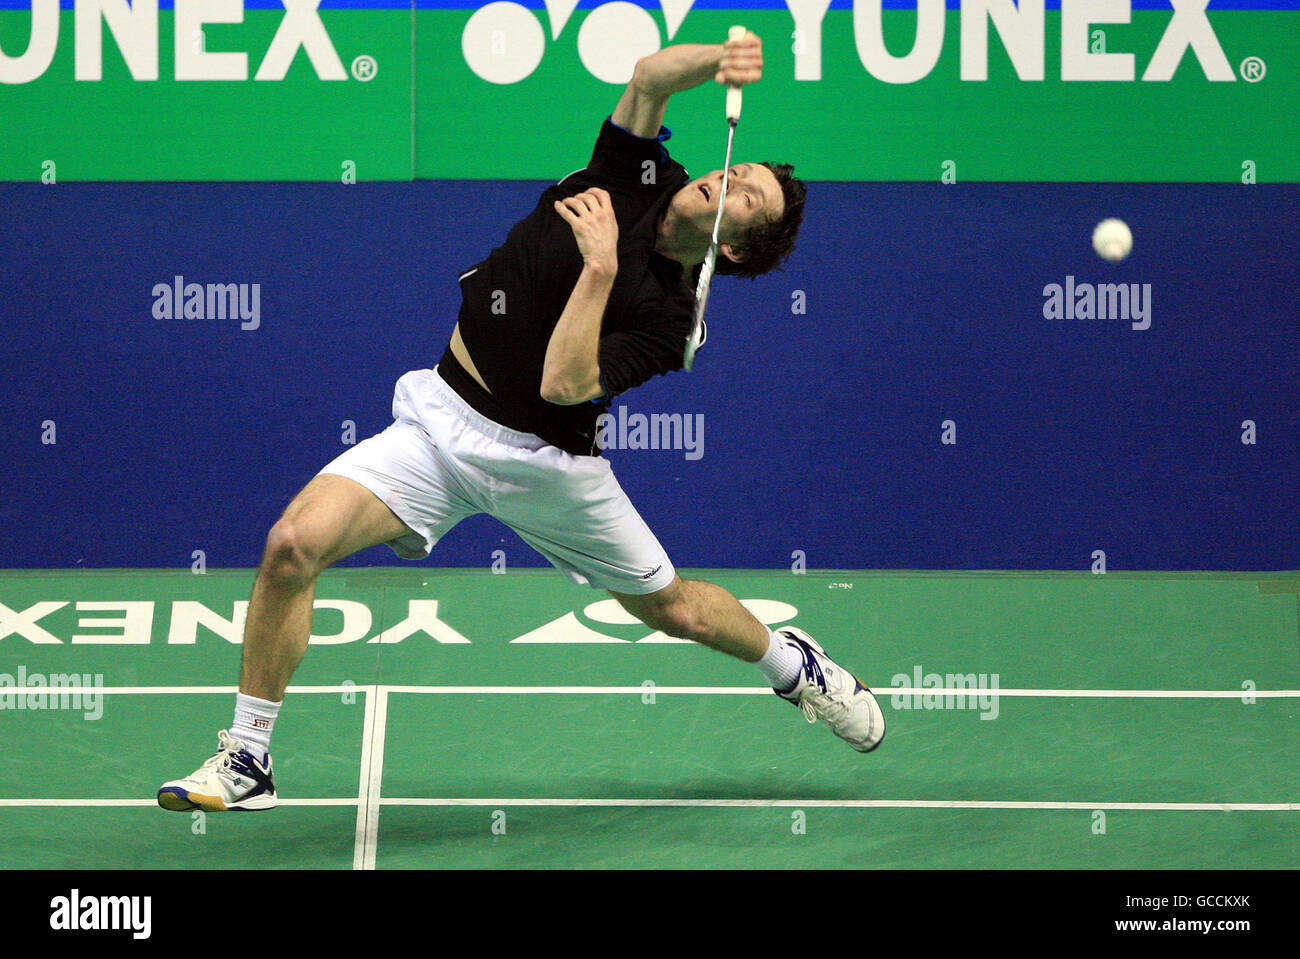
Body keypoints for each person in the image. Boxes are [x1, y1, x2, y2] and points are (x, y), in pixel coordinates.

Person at [157, 31, 883, 814]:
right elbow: (646, 77)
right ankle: (248, 756)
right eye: (737, 171)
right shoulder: (635, 175)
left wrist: (600, 267)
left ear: (734, 253)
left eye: (747, 199)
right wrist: (718, 60)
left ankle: (793, 665)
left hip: (547, 466)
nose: (728, 179)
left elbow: (566, 384)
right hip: (442, 420)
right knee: (292, 546)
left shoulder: (674, 322)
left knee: (673, 609)